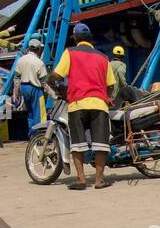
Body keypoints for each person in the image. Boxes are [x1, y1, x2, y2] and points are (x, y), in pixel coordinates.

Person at [49, 24, 116, 190]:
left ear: (75, 38)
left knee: (77, 143)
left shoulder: (70, 52)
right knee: (101, 144)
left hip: (77, 104)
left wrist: (52, 82)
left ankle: (81, 179)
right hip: (99, 104)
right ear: (90, 38)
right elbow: (111, 85)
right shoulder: (103, 57)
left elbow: (56, 75)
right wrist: (105, 97)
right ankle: (99, 180)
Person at [12, 38, 47, 136]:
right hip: (36, 89)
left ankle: (32, 135)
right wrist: (54, 94)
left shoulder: (21, 60)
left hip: (24, 88)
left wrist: (16, 93)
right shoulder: (39, 62)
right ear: (38, 49)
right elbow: (44, 82)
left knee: (30, 113)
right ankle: (39, 137)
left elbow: (16, 78)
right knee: (39, 114)